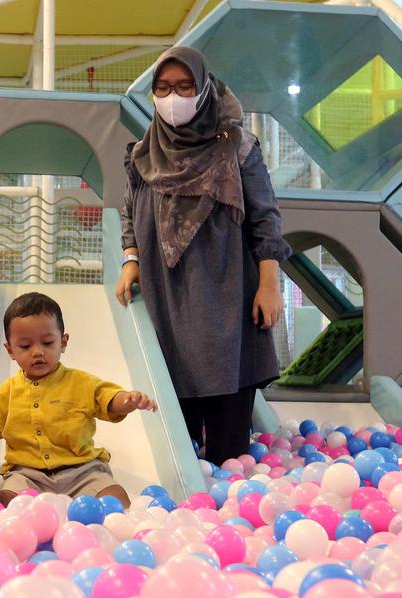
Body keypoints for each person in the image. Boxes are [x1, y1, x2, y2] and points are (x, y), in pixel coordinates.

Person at [115, 46, 291, 465]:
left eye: (184, 86)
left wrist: (269, 285)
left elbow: (265, 218)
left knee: (228, 446)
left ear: (204, 87)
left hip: (225, 296)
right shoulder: (144, 154)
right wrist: (131, 259)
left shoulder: (237, 147)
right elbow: (128, 211)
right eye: (162, 87)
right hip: (165, 296)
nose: (172, 96)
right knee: (175, 437)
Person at [0, 292, 156, 506]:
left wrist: (128, 400)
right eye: (25, 346)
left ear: (63, 342)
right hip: (27, 475)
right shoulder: (8, 392)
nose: (38, 352)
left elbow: (108, 399)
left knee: (114, 497)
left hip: (83, 471)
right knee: (6, 500)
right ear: (10, 349)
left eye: (47, 342)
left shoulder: (81, 382)